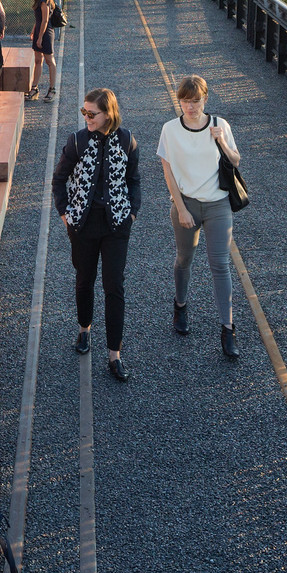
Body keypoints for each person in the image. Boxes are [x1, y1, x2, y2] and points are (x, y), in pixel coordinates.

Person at [54, 87, 143, 381]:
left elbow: (134, 180)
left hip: (117, 225)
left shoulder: (127, 140)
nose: (87, 117)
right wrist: (66, 214)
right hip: (83, 225)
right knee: (85, 279)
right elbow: (59, 179)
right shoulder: (77, 141)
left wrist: (132, 212)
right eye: (84, 112)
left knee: (114, 286)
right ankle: (84, 329)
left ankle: (114, 354)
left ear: (109, 113)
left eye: (92, 113)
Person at [157, 75, 243, 359]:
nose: (190, 107)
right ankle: (180, 306)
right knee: (184, 259)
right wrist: (181, 208)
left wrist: (222, 142)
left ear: (206, 99)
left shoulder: (220, 125)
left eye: (195, 101)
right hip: (187, 205)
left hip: (218, 205)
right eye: (185, 101)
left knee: (220, 265)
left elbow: (235, 161)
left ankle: (227, 329)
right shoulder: (170, 129)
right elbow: (168, 171)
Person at [28, 0, 58, 101]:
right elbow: (39, 19)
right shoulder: (39, 0)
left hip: (46, 33)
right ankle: (34, 88)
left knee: (49, 60)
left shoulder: (45, 0)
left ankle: (52, 89)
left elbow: (45, 20)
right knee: (37, 60)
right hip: (39, 31)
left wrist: (40, 37)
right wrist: (33, 30)